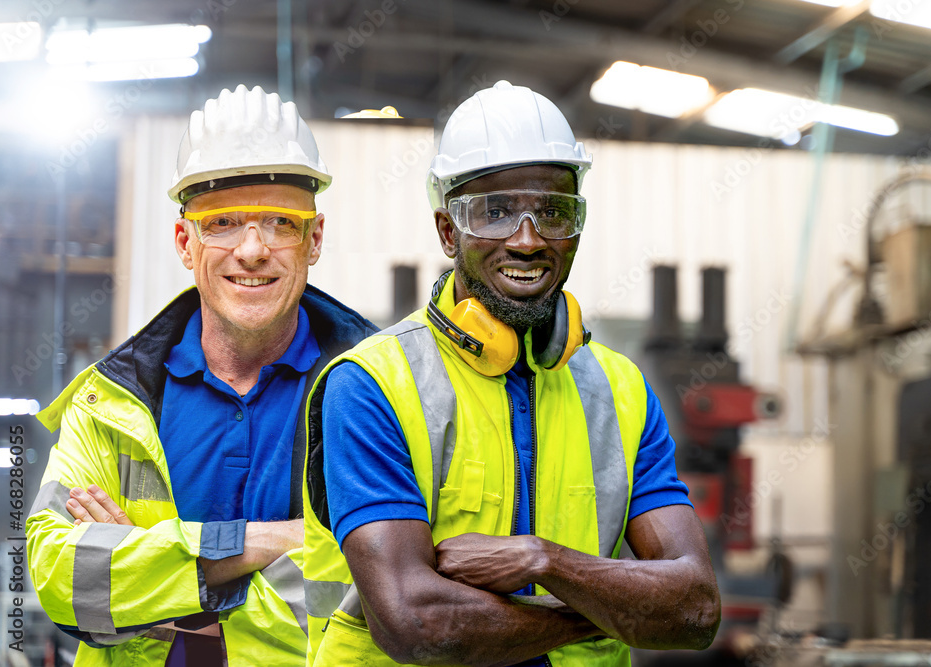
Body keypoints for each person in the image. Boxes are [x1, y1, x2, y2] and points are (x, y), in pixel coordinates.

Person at [303, 80, 720, 666]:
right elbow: (415, 623)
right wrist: (611, 613)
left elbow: (694, 611)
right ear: (449, 231)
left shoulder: (621, 392)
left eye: (552, 212)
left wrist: (541, 560)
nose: (527, 240)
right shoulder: (373, 387)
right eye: (495, 212)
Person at [26, 84, 376, 666]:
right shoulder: (111, 399)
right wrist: (270, 541)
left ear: (313, 239)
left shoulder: (376, 391)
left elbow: (379, 598)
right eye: (224, 223)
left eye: (280, 223)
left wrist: (161, 597)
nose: (253, 249)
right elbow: (64, 579)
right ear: (185, 241)